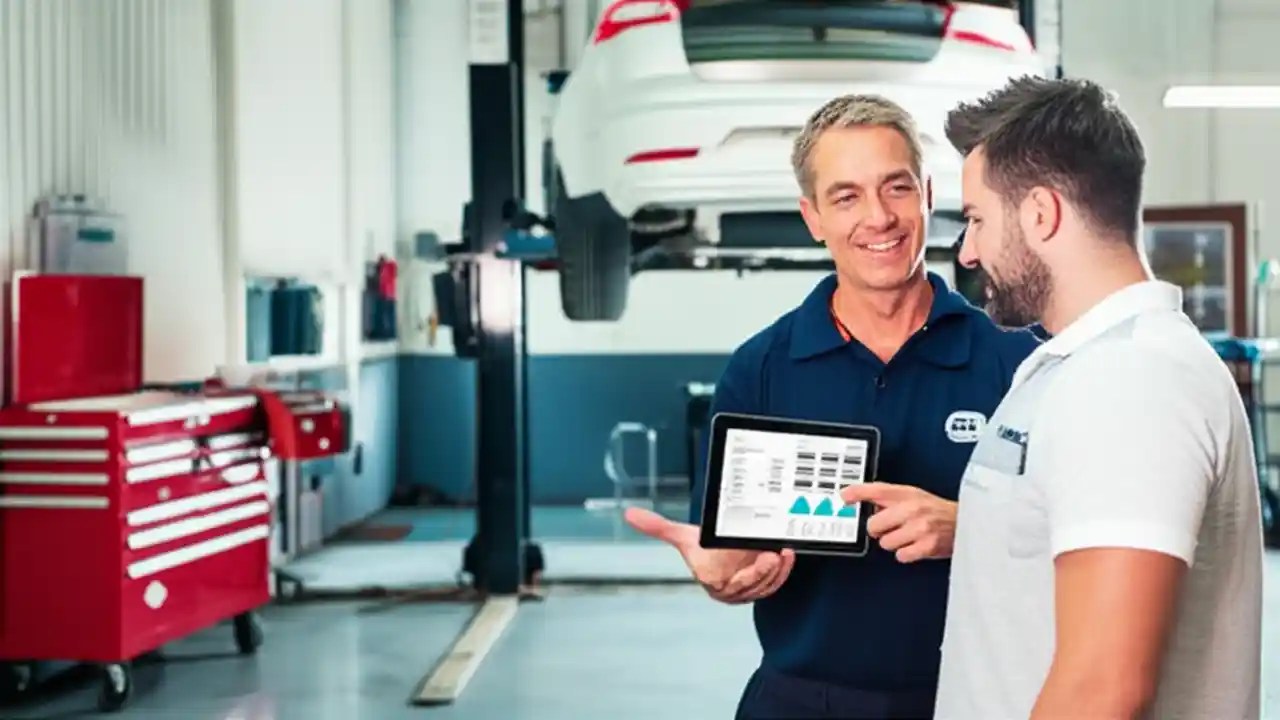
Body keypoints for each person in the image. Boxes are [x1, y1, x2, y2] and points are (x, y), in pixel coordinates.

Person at [625, 94, 1041, 719]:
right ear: (812, 216)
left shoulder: (1017, 361)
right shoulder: (760, 369)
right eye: (846, 197)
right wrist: (722, 573)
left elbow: (1086, 539)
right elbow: (726, 552)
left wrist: (972, 527)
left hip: (970, 700)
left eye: (896, 188)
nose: (879, 217)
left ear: (927, 194)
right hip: (801, 701)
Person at [925, 75, 1264, 720]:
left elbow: (1101, 689)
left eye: (976, 220)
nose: (967, 250)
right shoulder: (1082, 365)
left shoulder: (1130, 379)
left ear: (1041, 215)